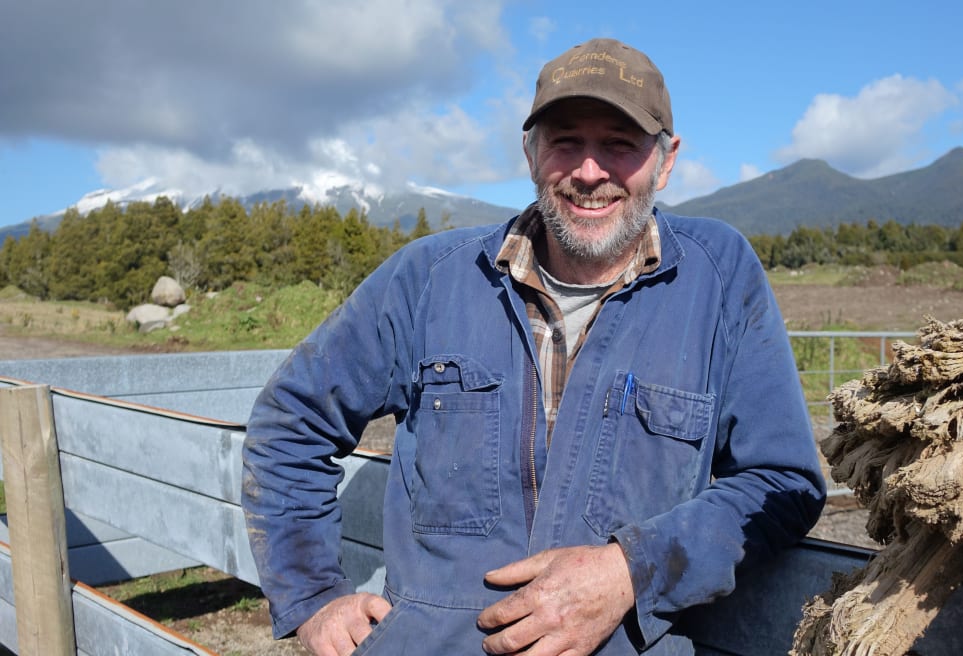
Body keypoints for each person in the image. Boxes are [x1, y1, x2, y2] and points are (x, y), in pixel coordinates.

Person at [242, 37, 826, 655]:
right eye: (565, 140)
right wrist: (313, 598)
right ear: (530, 151)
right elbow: (291, 422)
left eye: (620, 144)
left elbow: (783, 482)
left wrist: (632, 570)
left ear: (666, 160)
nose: (589, 172)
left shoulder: (717, 277)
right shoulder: (429, 278)